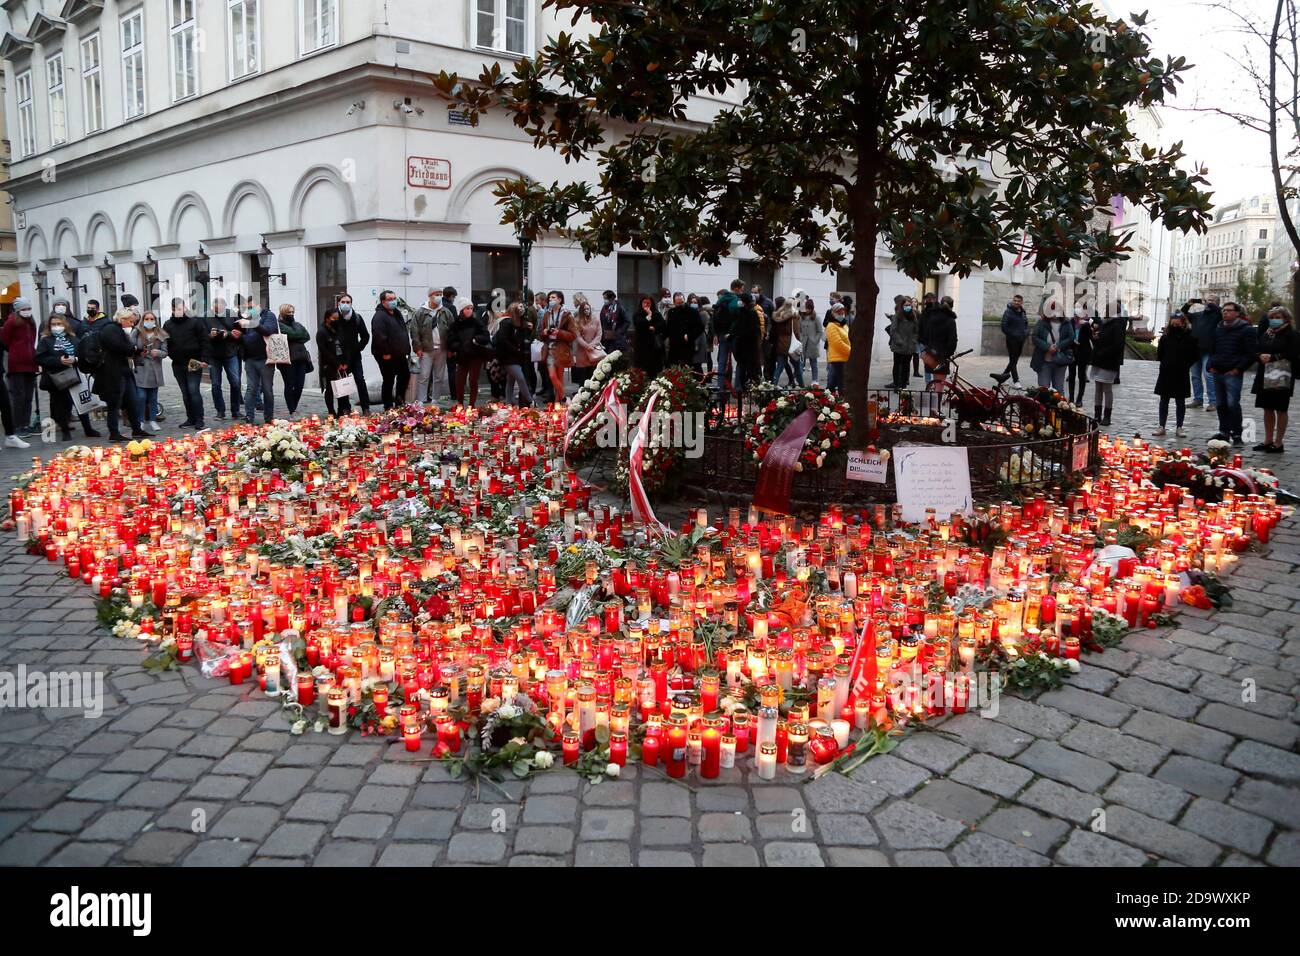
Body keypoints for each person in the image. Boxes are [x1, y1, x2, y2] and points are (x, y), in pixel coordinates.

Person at [1205, 301, 1256, 445]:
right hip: (1218, 371)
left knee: (1233, 404)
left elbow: (1250, 354)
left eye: (1229, 310)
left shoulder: (1246, 330)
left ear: (1237, 313)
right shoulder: (1219, 328)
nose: (1225, 312)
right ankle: (1224, 432)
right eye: (1224, 310)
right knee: (1221, 404)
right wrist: (1210, 365)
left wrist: (1237, 369)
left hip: (1232, 373)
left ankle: (1237, 434)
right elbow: (1213, 349)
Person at [94, 308, 147, 442]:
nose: (132, 325)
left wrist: (134, 350)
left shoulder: (117, 330)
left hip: (123, 369)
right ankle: (114, 433)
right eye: (130, 321)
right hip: (112, 372)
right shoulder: (110, 329)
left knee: (132, 400)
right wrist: (134, 348)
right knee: (114, 403)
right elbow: (119, 347)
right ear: (122, 319)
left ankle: (137, 429)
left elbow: (124, 348)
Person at [1252, 305, 1298, 453]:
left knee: (1281, 408)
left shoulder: (1292, 334)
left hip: (1282, 375)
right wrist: (1259, 355)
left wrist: (1273, 357)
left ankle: (1278, 443)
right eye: (1271, 317)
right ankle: (1268, 440)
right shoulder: (1268, 332)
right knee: (1267, 408)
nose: (1274, 320)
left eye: (1277, 317)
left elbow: (1292, 353)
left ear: (1286, 318)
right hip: (1264, 374)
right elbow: (1257, 347)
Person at [162, 297, 211, 430]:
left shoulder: (195, 322)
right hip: (177, 363)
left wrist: (205, 359)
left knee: (193, 390)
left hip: (193, 362)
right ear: (172, 309)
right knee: (185, 393)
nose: (178, 311)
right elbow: (163, 342)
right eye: (175, 309)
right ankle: (191, 418)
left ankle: (199, 419)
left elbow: (204, 341)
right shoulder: (167, 325)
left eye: (180, 308)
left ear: (184, 308)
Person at [35, 311, 83, 441]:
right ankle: (64, 429)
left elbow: (82, 354)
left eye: (59, 324)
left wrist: (75, 359)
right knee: (59, 403)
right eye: (53, 324)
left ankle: (71, 423)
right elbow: (40, 358)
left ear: (65, 324)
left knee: (69, 402)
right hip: (54, 378)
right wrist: (58, 360)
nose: (56, 326)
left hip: (72, 375)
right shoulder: (46, 340)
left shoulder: (72, 339)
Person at [1152, 312, 1200, 438]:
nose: (1175, 322)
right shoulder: (1165, 337)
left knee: (1180, 401)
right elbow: (1160, 354)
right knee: (1164, 400)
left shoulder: (1191, 337)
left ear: (1183, 322)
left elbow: (1195, 355)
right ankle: (1161, 426)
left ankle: (1180, 427)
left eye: (1178, 320)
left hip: (1181, 372)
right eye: (1173, 319)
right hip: (1166, 372)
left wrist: (1185, 365)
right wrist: (1166, 363)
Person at [238, 298, 280, 424]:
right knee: (251, 389)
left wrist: (252, 323)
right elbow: (245, 337)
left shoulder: (269, 316)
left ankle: (268, 417)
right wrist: (238, 336)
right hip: (250, 358)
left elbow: (267, 331)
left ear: (259, 306)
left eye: (252, 307)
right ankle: (249, 416)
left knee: (267, 389)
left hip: (266, 359)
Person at [1, 297, 39, 434]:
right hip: (16, 365)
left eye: (28, 309)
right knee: (18, 396)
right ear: (18, 310)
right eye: (24, 309)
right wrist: (15, 352)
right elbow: (4, 340)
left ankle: (25, 423)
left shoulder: (31, 322)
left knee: (28, 397)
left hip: (30, 363)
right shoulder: (11, 322)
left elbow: (33, 339)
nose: (27, 311)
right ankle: (16, 425)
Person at [370, 291, 411, 411]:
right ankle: (388, 405)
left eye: (394, 298)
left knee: (404, 375)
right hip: (386, 355)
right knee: (388, 379)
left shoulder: (397, 313)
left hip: (400, 353)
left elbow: (403, 331)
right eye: (390, 299)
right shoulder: (379, 316)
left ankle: (399, 401)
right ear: (383, 302)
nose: (393, 301)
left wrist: (406, 349)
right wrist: (385, 352)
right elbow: (379, 336)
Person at [447, 296, 492, 407]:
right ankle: (460, 403)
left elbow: (486, 336)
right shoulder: (455, 324)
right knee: (460, 381)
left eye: (471, 308)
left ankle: (472, 405)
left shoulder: (476, 322)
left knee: (473, 381)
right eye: (467, 308)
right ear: (461, 310)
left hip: (476, 356)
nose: (470, 310)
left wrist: (476, 340)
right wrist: (459, 346)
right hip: (462, 357)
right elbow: (451, 341)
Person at [131, 311, 168, 433]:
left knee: (153, 397)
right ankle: (140, 420)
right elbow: (130, 347)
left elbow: (165, 352)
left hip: (154, 368)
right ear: (143, 320)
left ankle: (152, 420)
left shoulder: (160, 333)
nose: (149, 321)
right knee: (141, 396)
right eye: (146, 319)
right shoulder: (137, 332)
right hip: (141, 367)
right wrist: (139, 352)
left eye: (151, 319)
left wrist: (158, 353)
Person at [207, 297, 243, 421]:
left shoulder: (232, 316)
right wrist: (210, 335)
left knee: (236, 382)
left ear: (225, 306)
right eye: (215, 308)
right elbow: (202, 335)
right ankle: (220, 411)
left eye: (219, 308)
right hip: (213, 355)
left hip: (230, 353)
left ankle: (235, 410)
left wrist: (227, 333)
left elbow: (239, 333)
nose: (217, 310)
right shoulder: (207, 317)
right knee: (216, 384)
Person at [1089, 310, 1126, 426]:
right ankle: (1097, 415)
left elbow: (1117, 345)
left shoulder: (1117, 325)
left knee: (1107, 389)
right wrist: (1095, 338)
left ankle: (1107, 416)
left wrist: (1103, 352)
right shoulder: (1104, 324)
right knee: (1098, 388)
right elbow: (1101, 339)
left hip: (1109, 361)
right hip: (1099, 360)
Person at [494, 302, 535, 407]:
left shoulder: (519, 323)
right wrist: (516, 349)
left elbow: (520, 335)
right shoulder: (507, 323)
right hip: (508, 356)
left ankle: (508, 403)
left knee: (510, 380)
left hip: (514, 355)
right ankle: (530, 401)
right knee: (520, 377)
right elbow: (503, 339)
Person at [336, 294, 371, 414]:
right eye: (343, 302)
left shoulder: (356, 318)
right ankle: (345, 408)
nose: (346, 304)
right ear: (338, 303)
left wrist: (358, 348)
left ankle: (366, 407)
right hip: (340, 357)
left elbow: (365, 336)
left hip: (355, 356)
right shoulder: (334, 317)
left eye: (348, 302)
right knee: (342, 382)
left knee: (360, 380)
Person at [277, 304, 312, 417]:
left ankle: (294, 407)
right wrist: (296, 336)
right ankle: (292, 409)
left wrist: (294, 336)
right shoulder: (279, 325)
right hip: (286, 359)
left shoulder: (297, 325)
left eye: (292, 312)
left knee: (299, 385)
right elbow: (293, 334)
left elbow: (306, 336)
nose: (291, 314)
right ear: (283, 313)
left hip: (301, 358)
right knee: (289, 384)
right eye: (289, 312)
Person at [317, 307, 353, 418]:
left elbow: (346, 346)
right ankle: (331, 411)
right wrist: (336, 364)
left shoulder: (340, 329)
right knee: (330, 388)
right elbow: (324, 351)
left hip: (343, 363)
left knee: (343, 387)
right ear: (327, 319)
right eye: (334, 318)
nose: (336, 320)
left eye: (338, 318)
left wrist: (346, 362)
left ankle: (342, 409)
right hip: (330, 364)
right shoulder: (322, 332)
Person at [1029, 306, 1076, 391]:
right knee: (1044, 388)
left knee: (1058, 387)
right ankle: (1044, 404)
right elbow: (1035, 337)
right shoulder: (1041, 322)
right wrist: (1047, 347)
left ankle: (1059, 404)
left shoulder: (1066, 322)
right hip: (1043, 360)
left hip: (1060, 360)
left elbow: (1071, 337)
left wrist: (1058, 346)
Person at [410, 288, 442, 408]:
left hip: (441, 349)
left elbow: (451, 329)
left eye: (440, 295)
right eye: (436, 294)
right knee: (424, 375)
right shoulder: (420, 312)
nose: (439, 297)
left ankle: (435, 399)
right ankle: (421, 399)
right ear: (430, 296)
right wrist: (417, 347)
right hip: (426, 349)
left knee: (439, 376)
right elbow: (414, 331)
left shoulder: (445, 312)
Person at [1189, 295, 1221, 410]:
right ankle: (1198, 399)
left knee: (1209, 376)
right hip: (1195, 350)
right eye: (1207, 300)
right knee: (1195, 376)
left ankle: (1213, 401)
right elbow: (1184, 313)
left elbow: (1219, 311)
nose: (1208, 302)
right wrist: (1191, 302)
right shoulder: (1198, 315)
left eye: (1212, 300)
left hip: (1209, 350)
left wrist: (1211, 304)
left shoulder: (1217, 315)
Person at [713, 279, 746, 394]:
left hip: (722, 334)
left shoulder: (721, 299)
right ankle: (737, 387)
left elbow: (714, 318)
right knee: (740, 360)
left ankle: (719, 386)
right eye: (742, 289)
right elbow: (738, 318)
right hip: (733, 335)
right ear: (736, 288)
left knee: (721, 361)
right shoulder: (735, 301)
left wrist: (717, 333)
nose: (742, 291)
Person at [921, 295, 959, 386]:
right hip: (942, 357)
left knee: (933, 384)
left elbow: (925, 335)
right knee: (939, 387)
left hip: (930, 354)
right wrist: (949, 353)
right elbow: (952, 341)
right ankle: (937, 400)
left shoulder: (931, 318)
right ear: (951, 307)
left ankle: (931, 398)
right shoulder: (950, 321)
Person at [665, 292, 704, 372]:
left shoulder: (692, 312)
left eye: (682, 302)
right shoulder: (671, 312)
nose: (680, 305)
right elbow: (668, 328)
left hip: (687, 346)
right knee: (673, 370)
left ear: (684, 300)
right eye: (678, 303)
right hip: (674, 346)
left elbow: (700, 328)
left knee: (687, 370)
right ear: (674, 303)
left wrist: (690, 336)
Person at [887, 297, 918, 389]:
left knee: (906, 366)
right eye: (905, 305)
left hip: (909, 347)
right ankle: (896, 385)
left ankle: (903, 386)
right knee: (897, 365)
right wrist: (899, 341)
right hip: (898, 346)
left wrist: (913, 341)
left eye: (909, 305)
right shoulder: (897, 316)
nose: (907, 307)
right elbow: (893, 330)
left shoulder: (913, 317)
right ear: (902, 306)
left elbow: (916, 331)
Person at [631, 295, 666, 380]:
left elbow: (662, 325)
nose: (646, 305)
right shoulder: (637, 314)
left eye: (648, 303)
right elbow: (639, 324)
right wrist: (649, 315)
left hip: (653, 346)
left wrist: (654, 328)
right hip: (641, 345)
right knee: (641, 369)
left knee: (653, 369)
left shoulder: (656, 313)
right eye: (644, 303)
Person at [999, 294, 1030, 384]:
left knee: (1014, 360)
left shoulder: (1023, 312)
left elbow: (1025, 323)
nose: (1016, 302)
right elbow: (1003, 326)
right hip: (1011, 340)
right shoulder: (1008, 312)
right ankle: (1016, 380)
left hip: (1021, 340)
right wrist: (1013, 335)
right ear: (1013, 301)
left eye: (1018, 301)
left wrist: (1025, 333)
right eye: (1015, 300)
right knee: (1013, 360)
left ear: (1021, 302)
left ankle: (1003, 377)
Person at [573, 300, 605, 384]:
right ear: (581, 311)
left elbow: (599, 334)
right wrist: (587, 346)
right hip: (582, 352)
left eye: (588, 309)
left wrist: (592, 345)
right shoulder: (577, 321)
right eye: (584, 309)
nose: (587, 311)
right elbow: (578, 337)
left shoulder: (596, 320)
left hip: (593, 351)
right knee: (583, 377)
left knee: (593, 376)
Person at [1069, 305, 1093, 405]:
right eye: (1076, 316)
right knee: (1071, 376)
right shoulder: (1070, 323)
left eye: (1079, 316)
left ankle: (1079, 398)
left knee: (1081, 375)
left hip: (1083, 352)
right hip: (1072, 352)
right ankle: (1071, 398)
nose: (1077, 318)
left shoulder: (1086, 324)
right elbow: (1067, 336)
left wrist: (1086, 325)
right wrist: (1072, 341)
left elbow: (1089, 337)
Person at [825, 302, 851, 391]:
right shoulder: (831, 326)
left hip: (844, 358)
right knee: (841, 385)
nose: (841, 314)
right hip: (838, 359)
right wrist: (851, 351)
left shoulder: (843, 325)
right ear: (833, 313)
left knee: (833, 385)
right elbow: (838, 343)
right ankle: (841, 402)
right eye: (839, 312)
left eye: (842, 312)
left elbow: (849, 338)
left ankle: (830, 401)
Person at [797, 296, 822, 385]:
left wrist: (815, 341)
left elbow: (820, 331)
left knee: (813, 363)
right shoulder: (801, 317)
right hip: (803, 343)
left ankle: (815, 380)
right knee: (801, 363)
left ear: (811, 308)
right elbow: (799, 330)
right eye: (806, 308)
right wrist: (800, 339)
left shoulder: (816, 318)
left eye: (808, 308)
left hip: (812, 344)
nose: (806, 310)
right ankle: (799, 380)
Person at [600, 290, 631, 355]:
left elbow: (627, 321)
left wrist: (620, 331)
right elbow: (602, 320)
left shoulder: (619, 308)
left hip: (617, 339)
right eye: (604, 298)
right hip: (606, 339)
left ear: (611, 298)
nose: (604, 300)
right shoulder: (604, 308)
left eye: (606, 298)